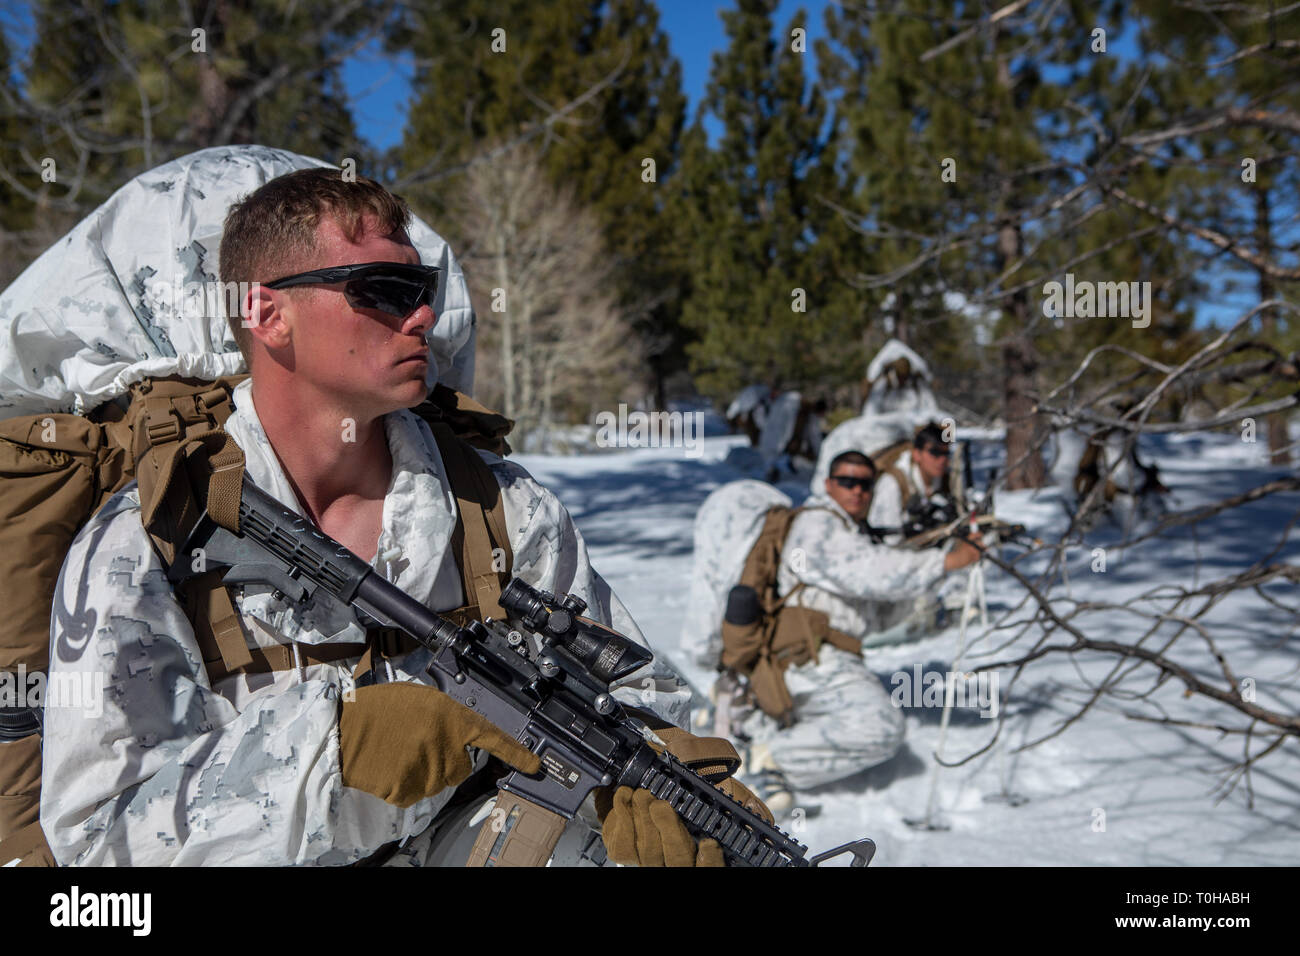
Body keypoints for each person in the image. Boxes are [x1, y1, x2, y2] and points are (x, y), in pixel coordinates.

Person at [40, 168, 749, 866]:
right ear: (266, 314)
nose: (422, 318)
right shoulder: (152, 539)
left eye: (425, 291)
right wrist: (335, 765)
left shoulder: (497, 508)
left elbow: (631, 688)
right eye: (384, 290)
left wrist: (675, 773)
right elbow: (102, 836)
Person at [735, 449, 981, 810]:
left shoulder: (851, 534)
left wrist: (940, 567)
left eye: (866, 484)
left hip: (828, 658)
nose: (857, 491)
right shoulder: (818, 524)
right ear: (828, 484)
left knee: (870, 721)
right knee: (881, 728)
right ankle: (767, 755)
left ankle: (759, 729)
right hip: (809, 658)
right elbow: (871, 573)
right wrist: (946, 560)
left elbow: (880, 614)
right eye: (847, 481)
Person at [867, 422, 957, 541]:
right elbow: (891, 541)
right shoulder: (893, 483)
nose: (942, 460)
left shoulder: (942, 479)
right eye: (935, 453)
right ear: (916, 454)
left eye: (946, 454)